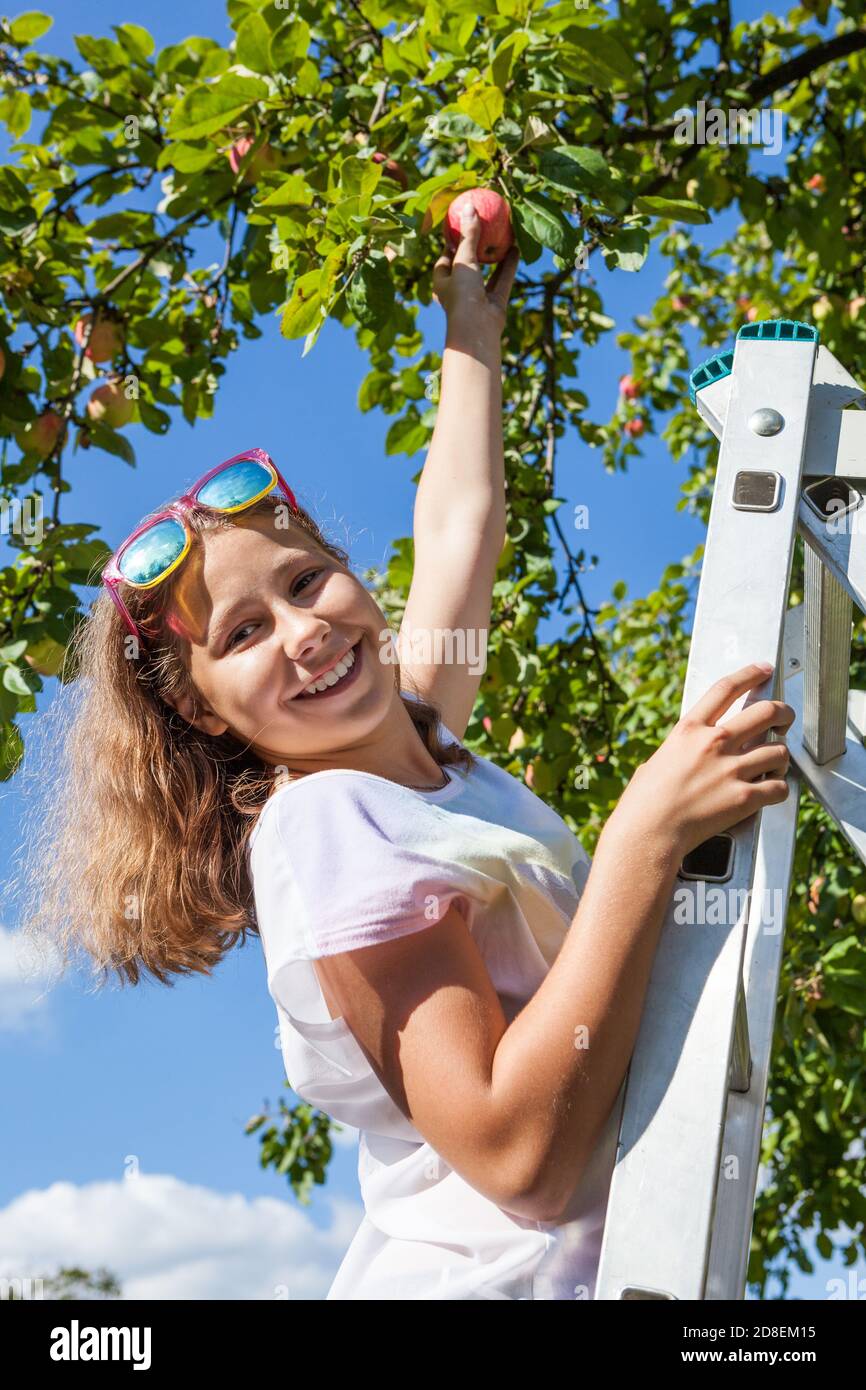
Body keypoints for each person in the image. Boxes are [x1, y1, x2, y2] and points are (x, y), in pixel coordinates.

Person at [10, 205, 795, 1300]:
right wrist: (643, 835)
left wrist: (470, 321)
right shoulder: (325, 824)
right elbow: (515, 1156)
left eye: (305, 581)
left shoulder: (424, 751)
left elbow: (460, 523)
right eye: (242, 635)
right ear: (200, 712)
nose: (303, 630)